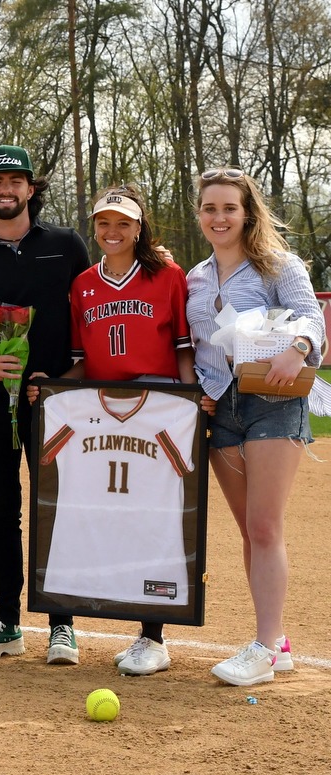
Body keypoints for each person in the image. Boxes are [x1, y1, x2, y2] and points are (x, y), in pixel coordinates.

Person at [33, 185, 193, 674]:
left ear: (139, 228)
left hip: (159, 402)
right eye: (104, 222)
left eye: (123, 223)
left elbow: (183, 349)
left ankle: (152, 634)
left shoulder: (167, 276)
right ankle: (136, 625)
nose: (112, 231)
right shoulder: (83, 283)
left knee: (151, 515)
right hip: (105, 404)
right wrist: (54, 386)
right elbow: (84, 364)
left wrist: (193, 407)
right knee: (111, 509)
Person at [0, 146, 91, 664]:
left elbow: (90, 313)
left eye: (16, 180)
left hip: (57, 402)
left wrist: (67, 379)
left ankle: (62, 623)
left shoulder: (67, 245)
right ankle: (6, 620)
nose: (6, 189)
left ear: (31, 188)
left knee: (54, 510)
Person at [186, 168, 322, 686]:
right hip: (220, 409)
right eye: (210, 208)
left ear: (247, 212)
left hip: (272, 401)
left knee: (265, 527)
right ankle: (277, 642)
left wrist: (299, 347)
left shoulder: (277, 266)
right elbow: (191, 345)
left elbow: (311, 317)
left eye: (229, 208)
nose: (219, 218)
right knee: (249, 530)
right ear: (200, 214)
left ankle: (264, 646)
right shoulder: (195, 277)